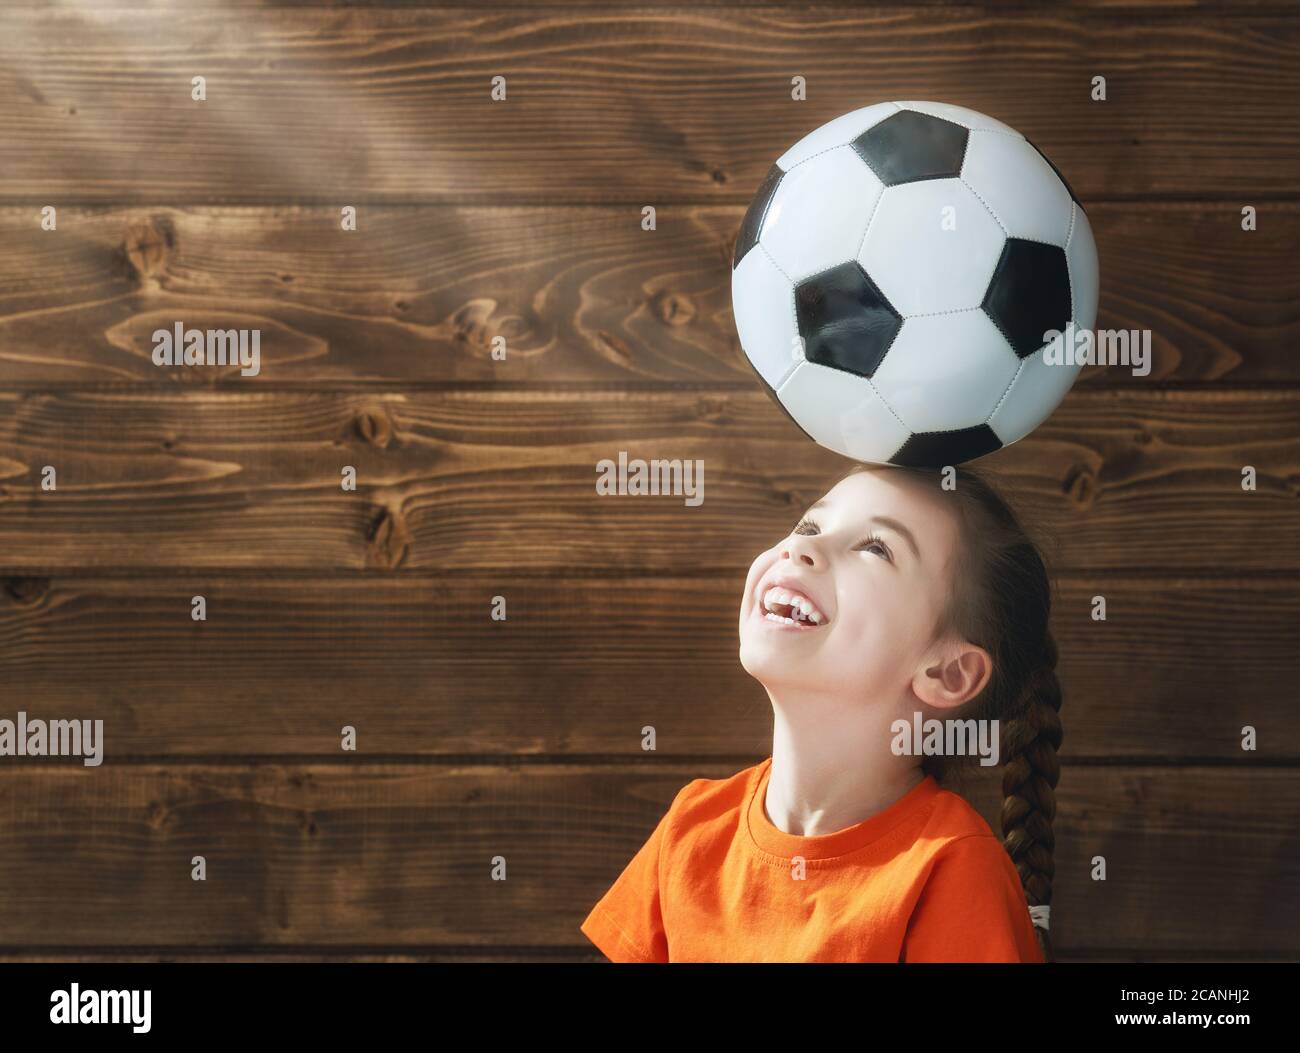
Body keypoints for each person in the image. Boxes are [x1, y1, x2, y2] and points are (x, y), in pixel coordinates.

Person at [580, 461, 1061, 962]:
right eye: (810, 525)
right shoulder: (690, 828)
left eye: (875, 547)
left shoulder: (953, 868)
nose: (800, 547)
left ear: (947, 673)